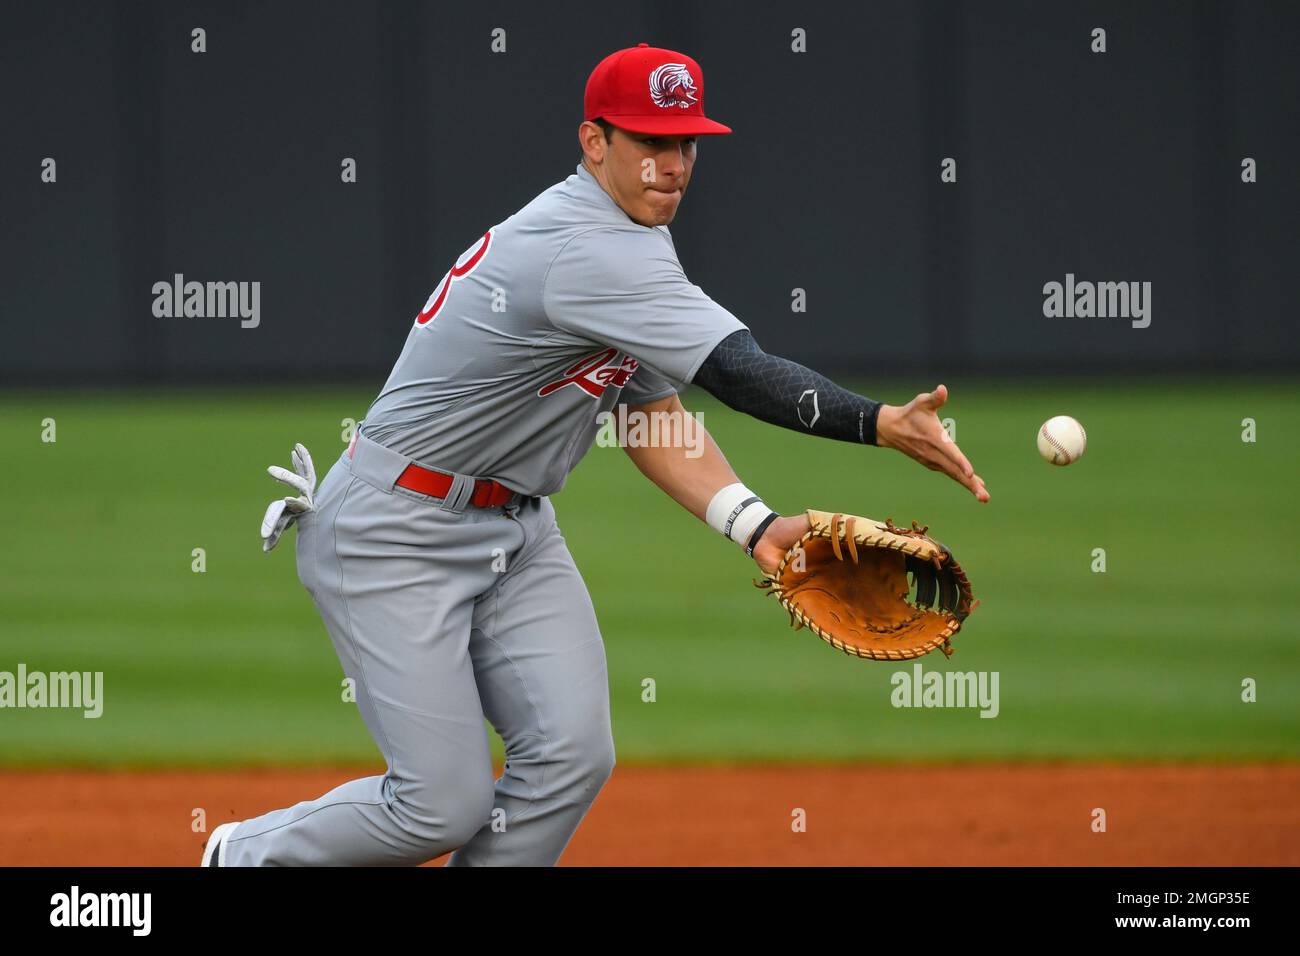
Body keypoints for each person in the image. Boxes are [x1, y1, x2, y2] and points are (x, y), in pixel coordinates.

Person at [201, 43, 988, 868]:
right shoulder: (586, 249)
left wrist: (752, 522)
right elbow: (740, 373)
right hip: (394, 528)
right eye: (649, 140)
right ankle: (244, 858)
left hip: (516, 532)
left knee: (571, 757)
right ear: (593, 141)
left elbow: (650, 413)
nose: (672, 164)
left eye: (686, 143)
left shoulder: (630, 244)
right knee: (440, 805)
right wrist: (877, 423)